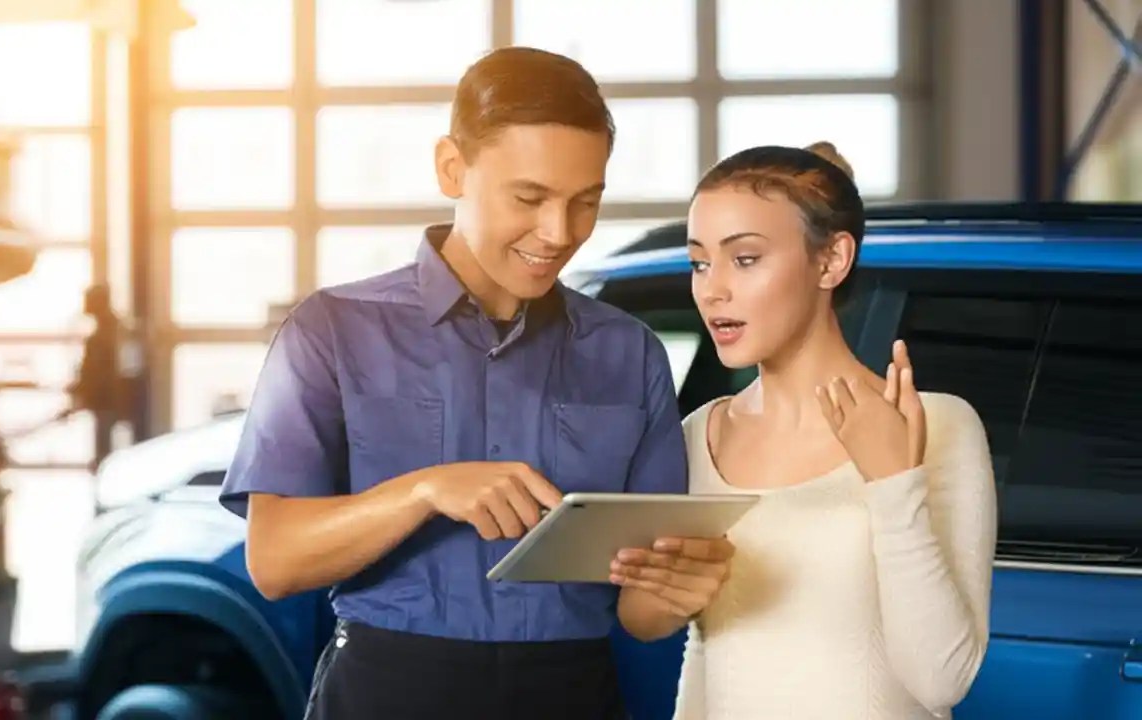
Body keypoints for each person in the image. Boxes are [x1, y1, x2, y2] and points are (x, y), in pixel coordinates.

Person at [218, 46, 729, 720]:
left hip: (573, 693)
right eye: (530, 197)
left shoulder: (628, 352)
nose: (558, 232)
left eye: (586, 202)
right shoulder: (333, 331)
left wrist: (675, 590)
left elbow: (639, 614)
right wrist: (427, 490)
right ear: (451, 168)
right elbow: (275, 561)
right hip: (387, 689)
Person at [610, 143, 998, 719]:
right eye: (699, 262)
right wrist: (667, 597)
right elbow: (641, 617)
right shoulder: (697, 434)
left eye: (744, 259)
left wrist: (895, 485)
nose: (712, 289)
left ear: (832, 260)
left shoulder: (937, 425)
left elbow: (942, 680)